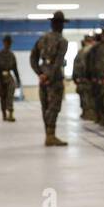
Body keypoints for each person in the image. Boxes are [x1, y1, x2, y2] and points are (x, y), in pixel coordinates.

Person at [29, 10, 69, 146]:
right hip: (54, 78)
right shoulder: (62, 41)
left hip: (42, 77)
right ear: (61, 25)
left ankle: (48, 134)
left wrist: (40, 73)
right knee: (54, 106)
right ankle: (51, 136)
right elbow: (58, 61)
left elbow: (33, 57)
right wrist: (49, 76)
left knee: (45, 106)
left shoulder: (42, 39)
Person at [0, 35, 19, 122]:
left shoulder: (12, 55)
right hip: (0, 78)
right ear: (4, 43)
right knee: (2, 96)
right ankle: (4, 114)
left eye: (9, 43)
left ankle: (10, 113)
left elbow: (15, 69)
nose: (8, 44)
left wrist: (18, 80)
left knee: (10, 95)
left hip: (9, 77)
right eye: (7, 42)